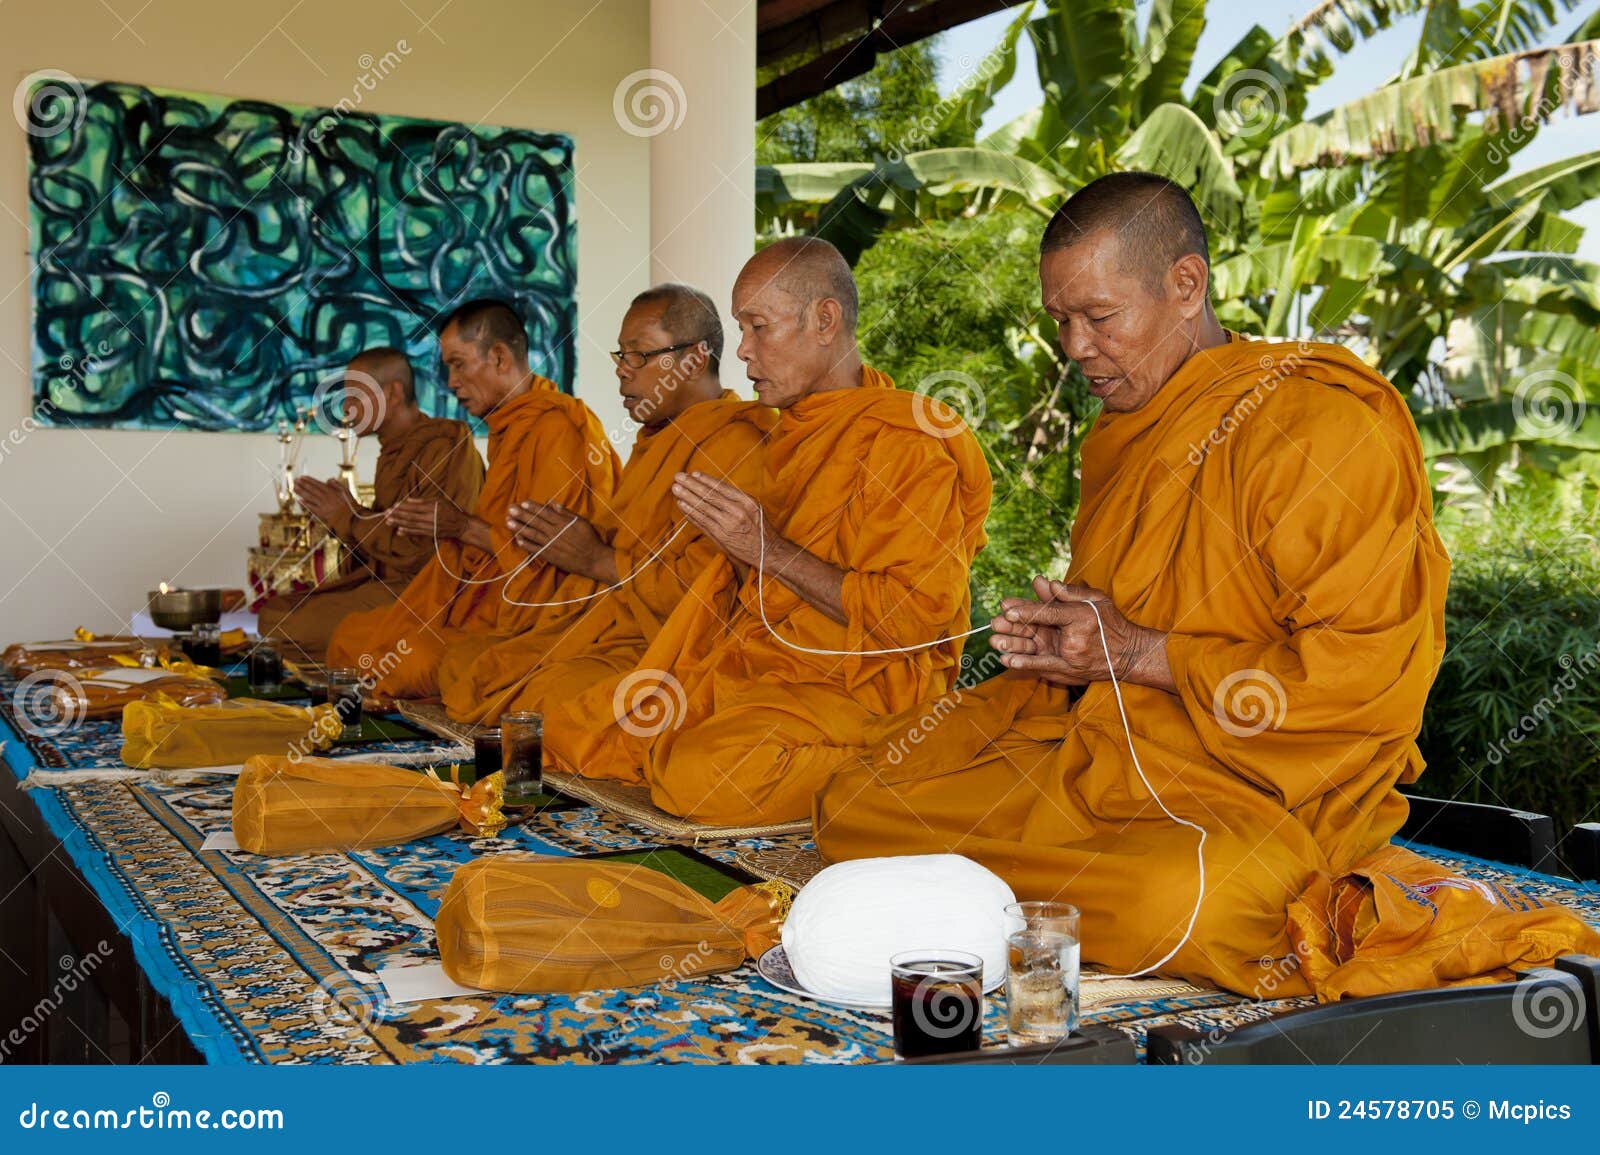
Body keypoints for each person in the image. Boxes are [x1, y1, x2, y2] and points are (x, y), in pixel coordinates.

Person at [813, 171, 1599, 998]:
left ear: (1187, 284)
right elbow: (1123, 618)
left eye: (1100, 317)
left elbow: (1361, 681)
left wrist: (1137, 653)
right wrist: (1067, 650)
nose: (1076, 346)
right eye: (1061, 320)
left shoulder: (1321, 425)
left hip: (1263, 800)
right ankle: (1038, 905)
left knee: (1194, 898)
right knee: (858, 804)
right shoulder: (1130, 426)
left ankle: (1019, 905)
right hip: (1105, 761)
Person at [543, 238, 992, 826]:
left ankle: (923, 760)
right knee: (586, 725)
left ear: (824, 320)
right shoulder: (791, 433)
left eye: (759, 327)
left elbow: (912, 620)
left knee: (698, 776)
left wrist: (766, 550)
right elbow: (746, 595)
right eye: (741, 329)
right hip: (767, 666)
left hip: (861, 689)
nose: (743, 352)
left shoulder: (905, 443)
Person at [437, 283, 776, 724]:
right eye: (621, 355)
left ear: (694, 359)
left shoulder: (736, 444)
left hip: (677, 650)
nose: (622, 371)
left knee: (548, 703)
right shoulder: (659, 440)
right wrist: (581, 543)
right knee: (469, 665)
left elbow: (716, 599)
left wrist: (596, 558)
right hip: (614, 628)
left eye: (639, 355)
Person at [325, 300, 619, 699]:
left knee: (420, 661)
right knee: (352, 635)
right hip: (485, 603)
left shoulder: (558, 428)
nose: (451, 382)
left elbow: (553, 563)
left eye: (458, 364)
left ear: (498, 357)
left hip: (537, 620)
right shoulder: (509, 429)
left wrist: (462, 527)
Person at [256, 348, 483, 657]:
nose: (346, 407)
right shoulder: (394, 452)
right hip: (389, 585)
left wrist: (348, 516)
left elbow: (423, 554)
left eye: (355, 395)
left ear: (392, 393)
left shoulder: (443, 446)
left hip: (429, 592)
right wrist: (341, 515)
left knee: (292, 626)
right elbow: (379, 551)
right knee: (275, 611)